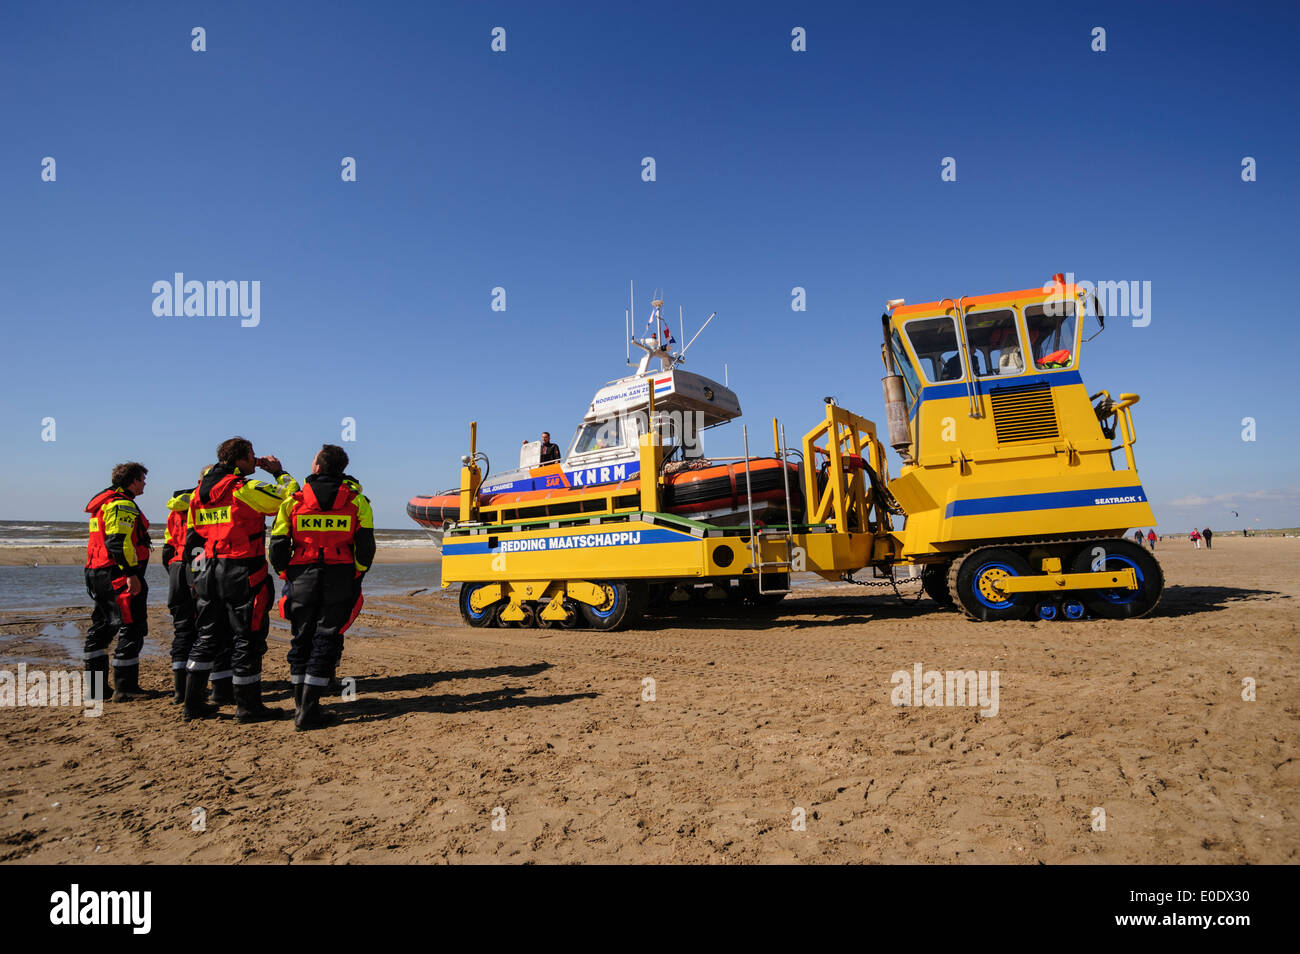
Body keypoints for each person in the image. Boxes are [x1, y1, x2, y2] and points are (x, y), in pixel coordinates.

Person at [181, 437, 298, 723]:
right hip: (242, 571)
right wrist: (278, 472)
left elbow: (193, 538)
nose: (255, 460)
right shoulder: (244, 489)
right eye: (252, 456)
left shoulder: (198, 495)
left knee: (207, 636)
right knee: (248, 637)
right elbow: (290, 498)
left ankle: (192, 703)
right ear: (241, 459)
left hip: (208, 570)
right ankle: (248, 707)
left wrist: (196, 575)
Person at [270, 445, 375, 730]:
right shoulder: (357, 501)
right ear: (341, 469)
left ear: (317, 467)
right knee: (326, 639)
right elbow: (365, 547)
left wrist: (285, 573)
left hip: (301, 575)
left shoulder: (292, 502)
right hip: (339, 575)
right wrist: (357, 574)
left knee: (301, 638)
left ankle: (300, 706)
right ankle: (310, 709)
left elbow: (278, 545)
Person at [83, 462, 154, 702]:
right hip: (117, 574)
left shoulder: (103, 504)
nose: (145, 483)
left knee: (102, 627)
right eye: (142, 479)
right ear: (133, 480)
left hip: (97, 572)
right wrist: (131, 574)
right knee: (131, 626)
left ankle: (96, 689)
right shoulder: (122, 504)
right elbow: (118, 542)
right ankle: (126, 688)